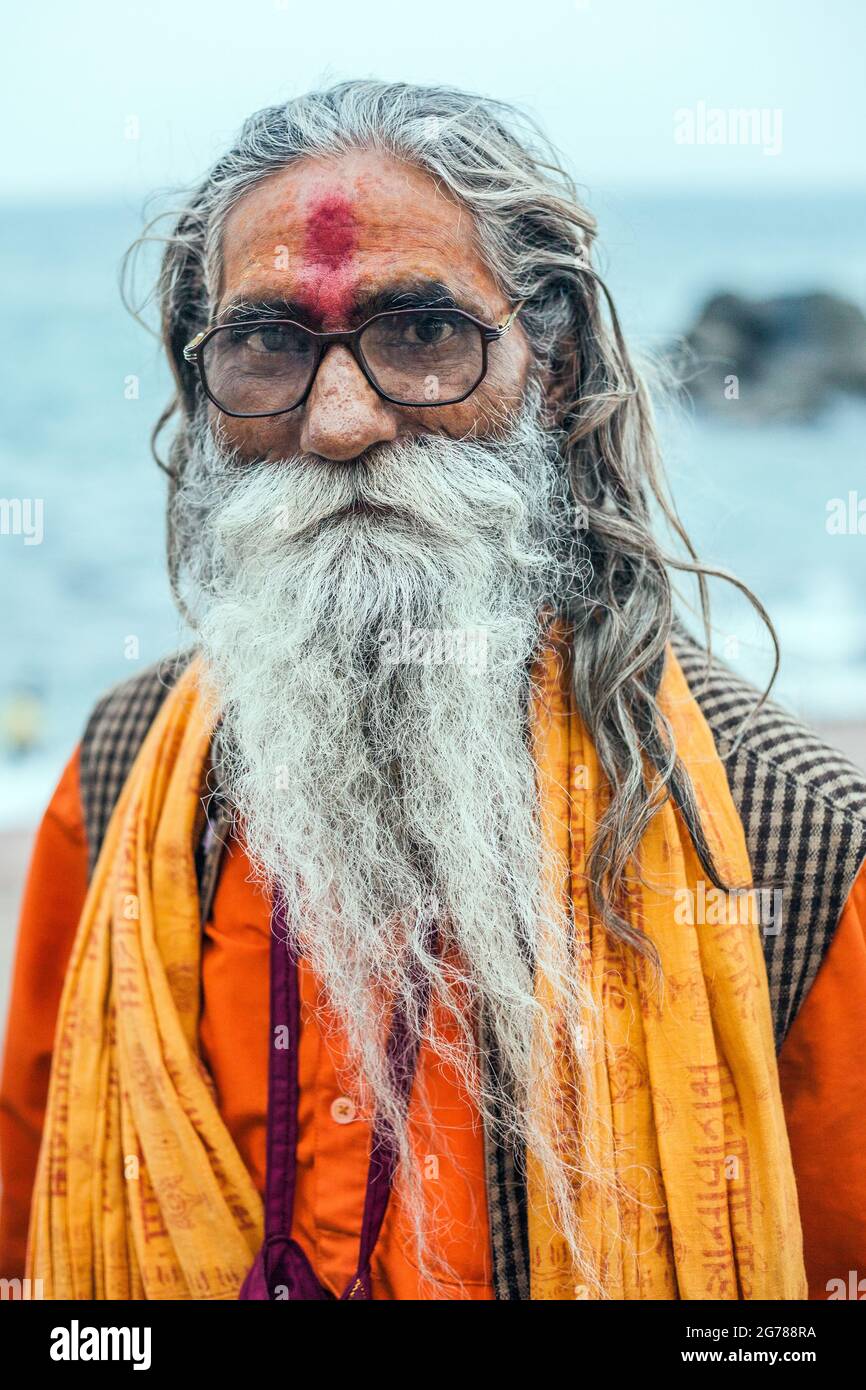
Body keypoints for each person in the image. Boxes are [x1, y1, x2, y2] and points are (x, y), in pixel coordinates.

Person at [2, 80, 865, 1301]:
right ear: (205, 394)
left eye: (420, 334)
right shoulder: (117, 777)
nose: (342, 419)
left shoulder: (794, 838)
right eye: (268, 345)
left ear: (549, 362)